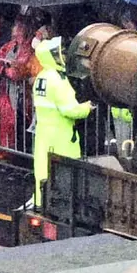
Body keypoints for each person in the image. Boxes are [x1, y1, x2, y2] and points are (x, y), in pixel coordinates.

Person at [29, 33, 92, 207]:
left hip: (44, 134)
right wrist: (87, 107)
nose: (63, 56)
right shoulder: (58, 81)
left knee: (43, 170)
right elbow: (70, 110)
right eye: (59, 53)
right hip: (61, 136)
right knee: (64, 174)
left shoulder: (41, 77)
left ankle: (41, 202)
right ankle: (61, 205)